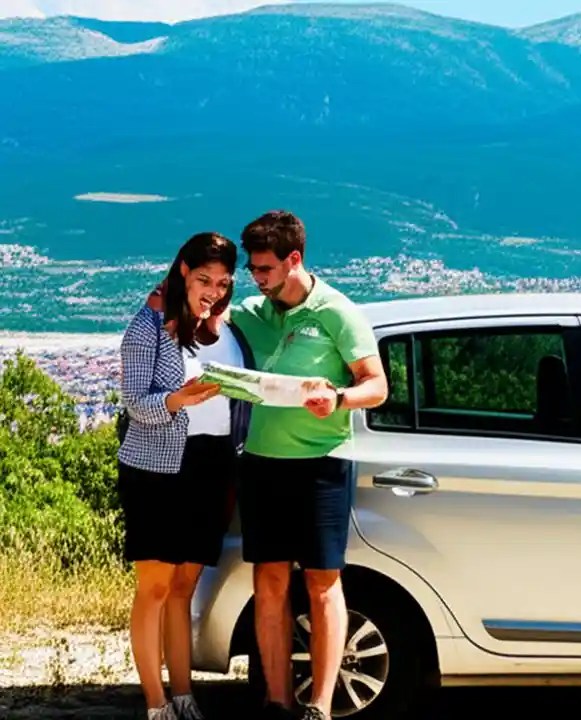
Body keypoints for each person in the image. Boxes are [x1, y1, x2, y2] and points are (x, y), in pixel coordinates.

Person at [230, 210, 388, 720]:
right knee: (269, 581)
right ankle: (276, 700)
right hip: (262, 464)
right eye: (253, 270)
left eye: (266, 269)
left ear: (294, 259)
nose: (257, 278)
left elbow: (377, 386)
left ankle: (320, 706)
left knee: (323, 582)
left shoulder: (338, 312)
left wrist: (339, 399)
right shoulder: (251, 310)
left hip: (322, 464)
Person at [117, 231, 255, 720]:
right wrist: (179, 399)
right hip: (157, 471)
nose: (213, 289)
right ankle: (156, 702)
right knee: (153, 588)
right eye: (203, 279)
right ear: (182, 272)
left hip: (212, 468)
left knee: (183, 589)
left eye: (221, 282)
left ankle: (183, 694)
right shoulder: (148, 327)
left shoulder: (225, 328)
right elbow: (134, 402)